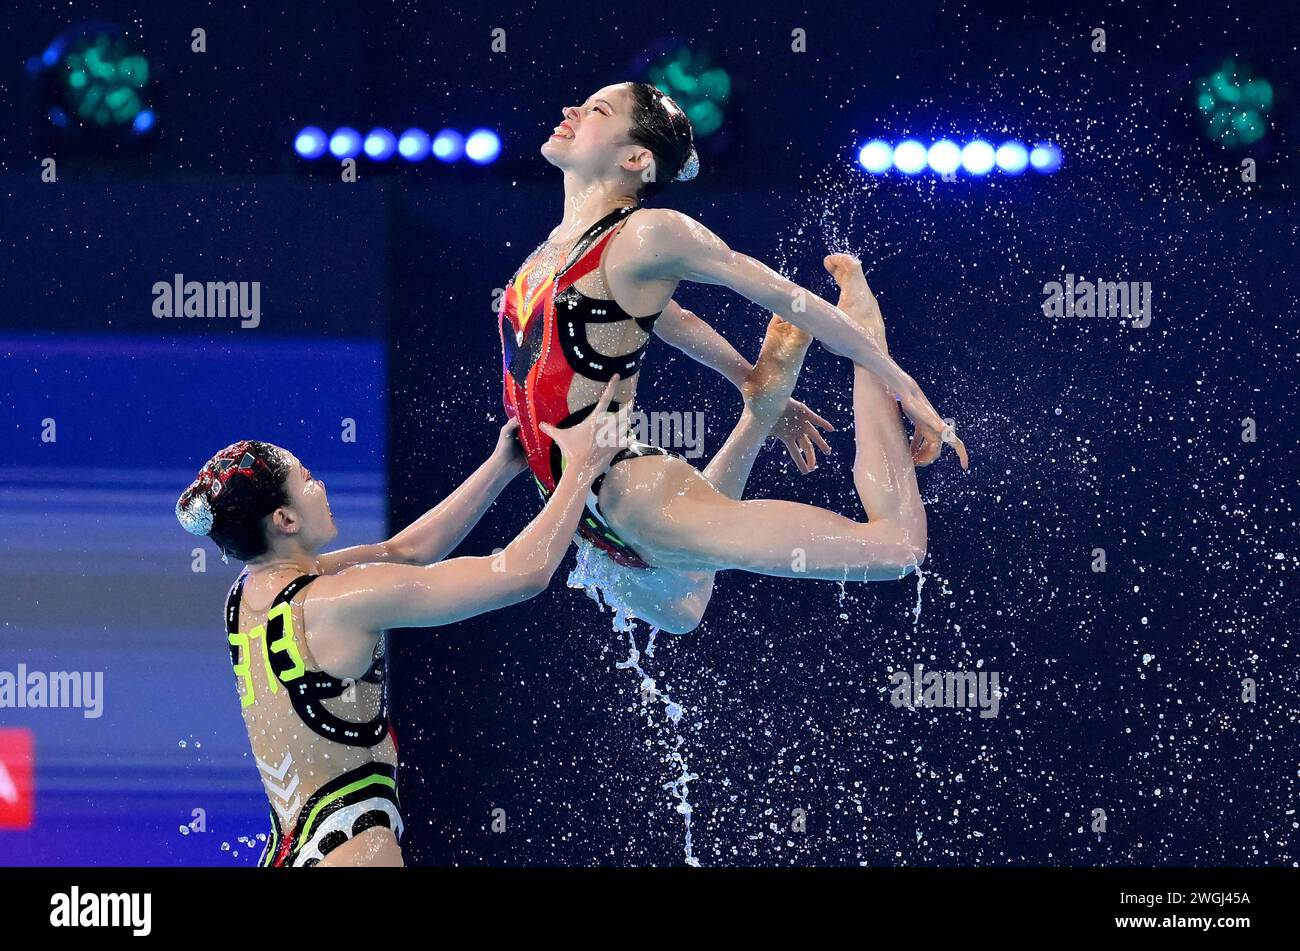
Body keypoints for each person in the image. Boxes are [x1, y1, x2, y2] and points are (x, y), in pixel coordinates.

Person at [498, 81, 968, 633]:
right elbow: (673, 322)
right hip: (589, 518)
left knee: (899, 548)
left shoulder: (651, 232)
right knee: (682, 612)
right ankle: (759, 410)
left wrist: (904, 386)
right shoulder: (554, 250)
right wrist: (749, 377)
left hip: (633, 500)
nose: (570, 109)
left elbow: (785, 297)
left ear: (636, 159)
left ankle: (866, 325)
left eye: (597, 109)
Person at [175, 381, 628, 865]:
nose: (319, 485)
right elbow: (523, 572)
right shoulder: (339, 602)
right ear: (285, 520)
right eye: (307, 478)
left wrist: (501, 466)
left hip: (296, 850)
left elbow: (405, 552)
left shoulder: (247, 594)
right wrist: (582, 467)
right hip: (356, 852)